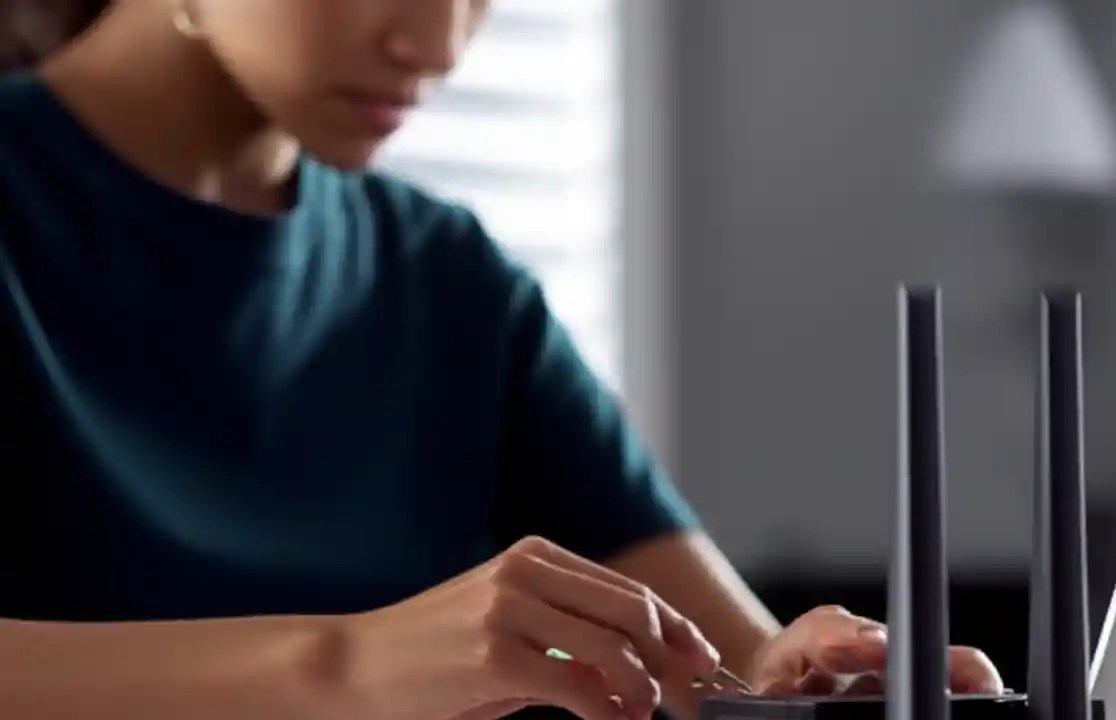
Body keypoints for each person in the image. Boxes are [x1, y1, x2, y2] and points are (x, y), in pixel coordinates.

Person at [0, 1, 1004, 719]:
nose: (435, 42)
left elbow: (727, 666)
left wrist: (809, 679)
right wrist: (344, 666)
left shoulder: (447, 277)